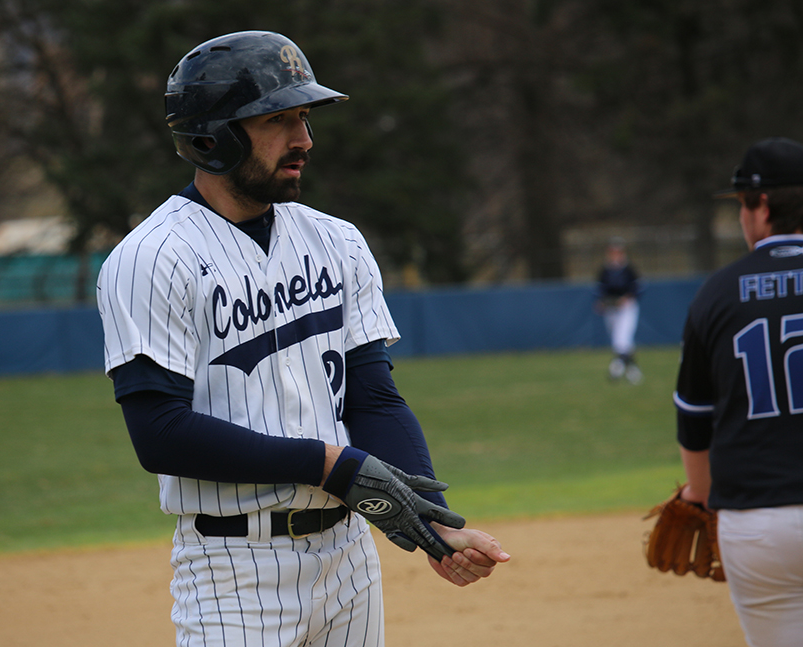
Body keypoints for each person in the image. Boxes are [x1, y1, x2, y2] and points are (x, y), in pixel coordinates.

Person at [96, 31, 510, 646]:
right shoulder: (154, 258)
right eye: (278, 120)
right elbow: (159, 434)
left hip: (349, 559)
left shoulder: (336, 240)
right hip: (235, 570)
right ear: (214, 137)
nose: (304, 140)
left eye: (305, 117)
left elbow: (372, 397)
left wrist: (428, 519)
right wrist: (330, 464)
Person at [672, 136, 803, 647]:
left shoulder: (718, 293)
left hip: (756, 522)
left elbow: (694, 416)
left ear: (762, 206)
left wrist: (699, 495)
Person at [595, 237, 643, 383]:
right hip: (611, 308)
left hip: (626, 308)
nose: (615, 255)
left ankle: (616, 368)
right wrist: (601, 302)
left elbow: (638, 288)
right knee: (622, 341)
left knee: (621, 339)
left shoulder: (628, 269)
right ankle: (634, 371)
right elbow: (599, 290)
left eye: (618, 252)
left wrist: (627, 298)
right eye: (613, 252)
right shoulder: (605, 270)